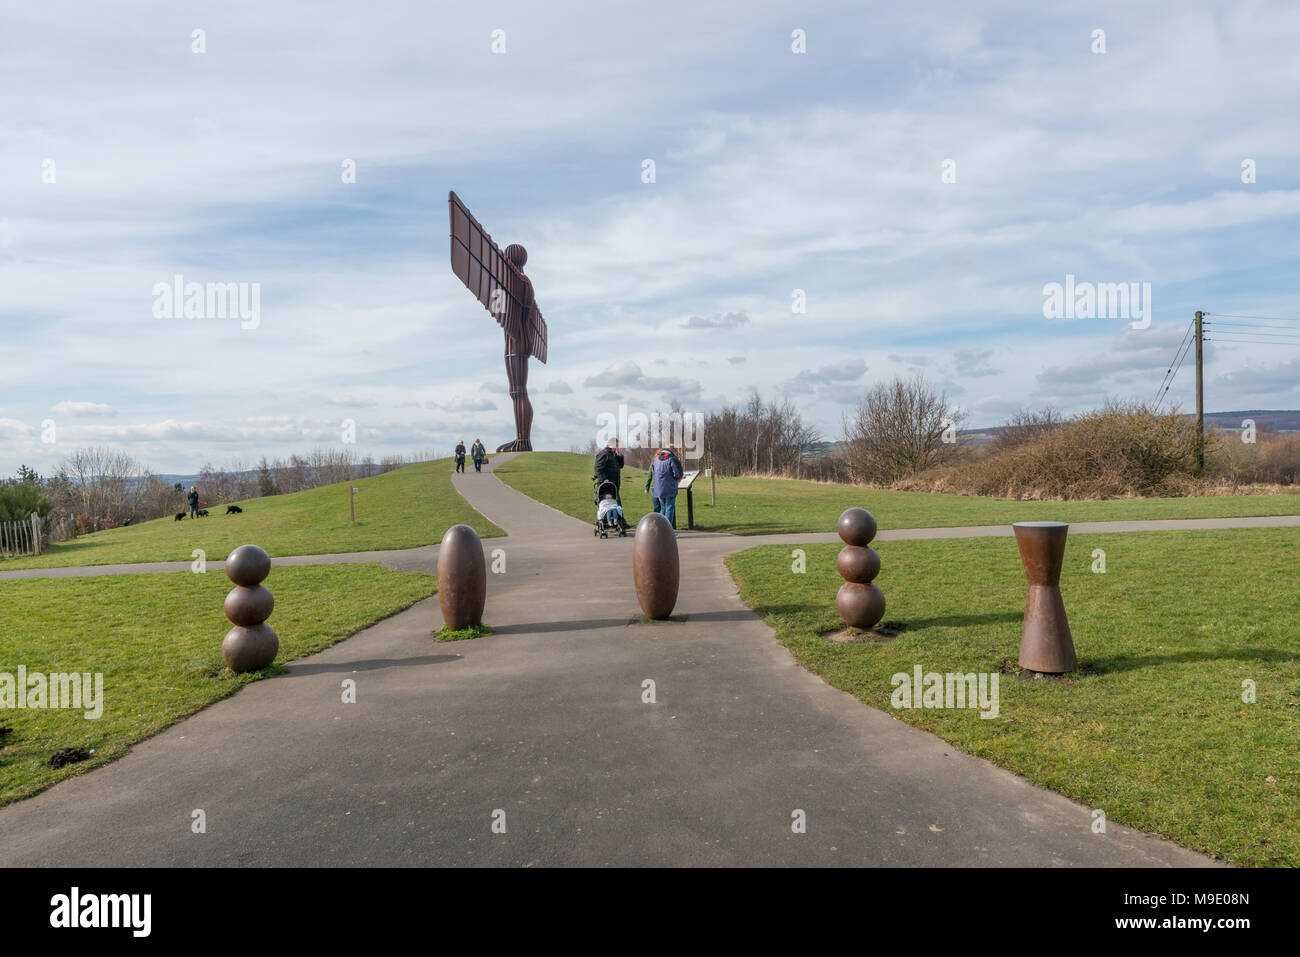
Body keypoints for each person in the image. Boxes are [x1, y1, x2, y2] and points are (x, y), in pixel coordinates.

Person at [651, 445, 684, 529]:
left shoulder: (656, 459)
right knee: (669, 508)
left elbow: (653, 472)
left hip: (658, 489)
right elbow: (676, 474)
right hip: (670, 488)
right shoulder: (671, 459)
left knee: (663, 508)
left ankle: (660, 529)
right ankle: (667, 530)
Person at [593, 438, 625, 502]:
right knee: (607, 506)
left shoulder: (614, 455)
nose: (617, 448)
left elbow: (621, 466)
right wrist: (604, 479)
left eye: (617, 446)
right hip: (605, 487)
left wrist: (620, 456)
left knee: (617, 507)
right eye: (616, 445)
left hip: (614, 487)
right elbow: (598, 468)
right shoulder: (604, 454)